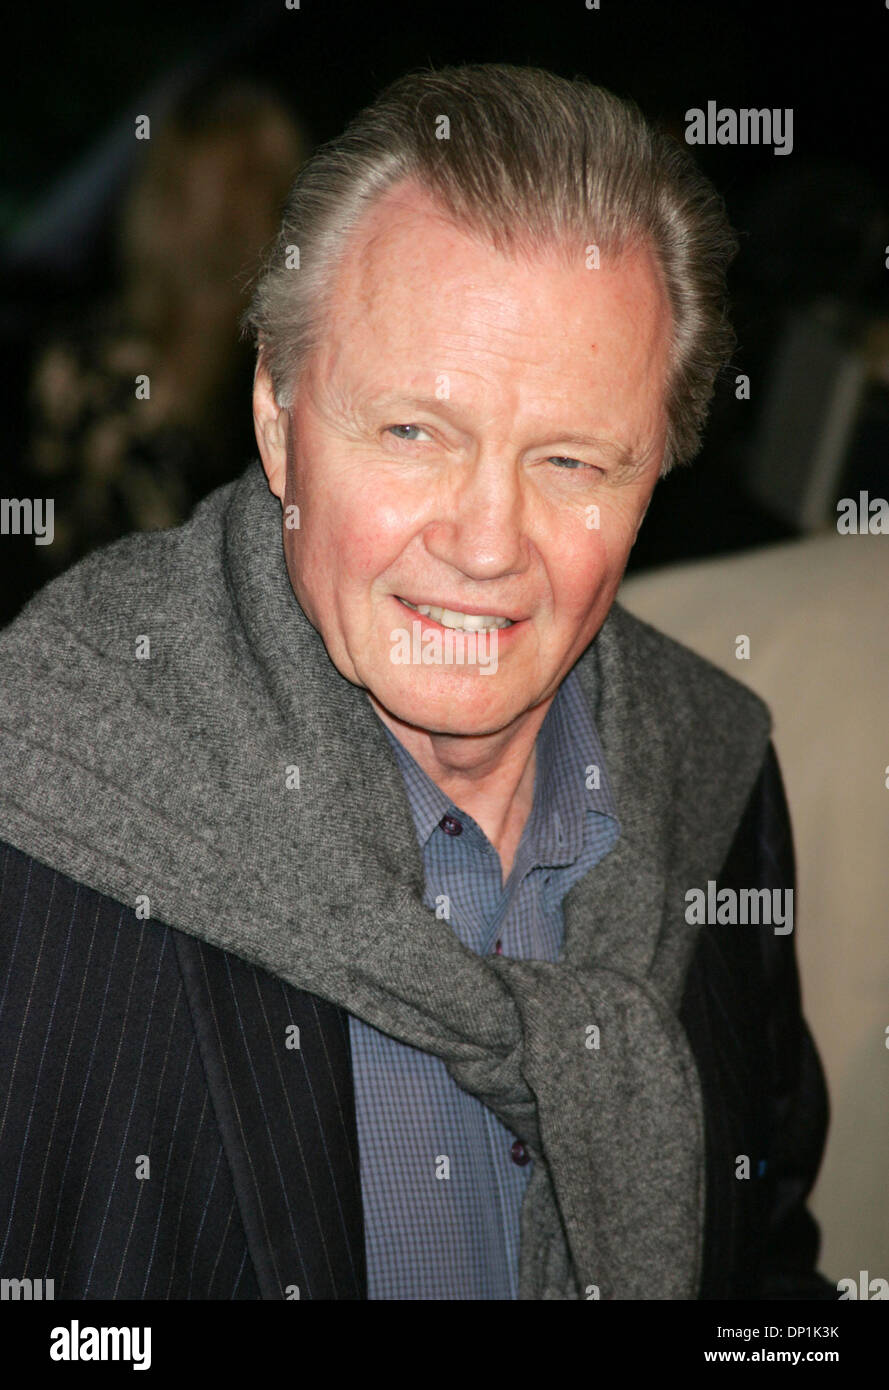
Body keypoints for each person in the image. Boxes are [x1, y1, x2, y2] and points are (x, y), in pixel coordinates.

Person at [0, 63, 833, 1301]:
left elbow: (765, 1264)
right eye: (412, 432)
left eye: (571, 459)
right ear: (279, 422)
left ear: (658, 472)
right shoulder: (42, 795)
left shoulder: (715, 767)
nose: (488, 541)